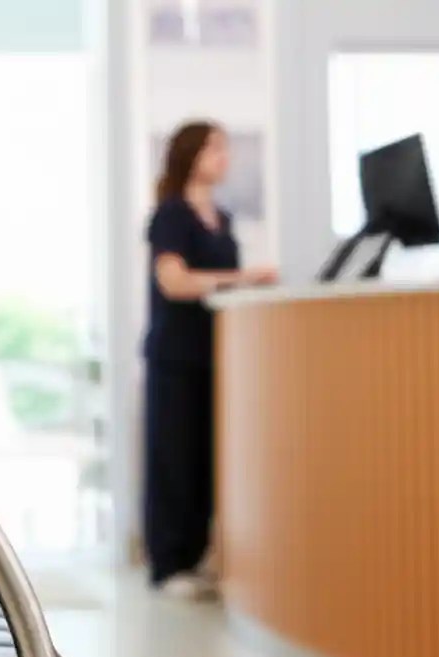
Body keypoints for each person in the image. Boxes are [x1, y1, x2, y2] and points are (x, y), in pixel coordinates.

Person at [143, 121, 276, 600]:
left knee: (204, 460)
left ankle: (196, 556)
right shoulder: (172, 214)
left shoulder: (221, 216)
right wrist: (241, 277)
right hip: (174, 357)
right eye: (215, 148)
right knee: (174, 458)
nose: (224, 157)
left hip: (212, 358)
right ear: (190, 154)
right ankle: (169, 563)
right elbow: (173, 282)